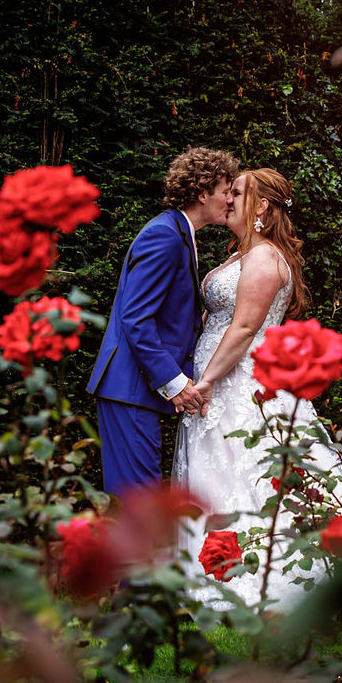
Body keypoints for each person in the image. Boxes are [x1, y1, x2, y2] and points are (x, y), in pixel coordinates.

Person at [175, 167, 342, 609]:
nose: (227, 198)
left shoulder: (263, 257)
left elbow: (242, 328)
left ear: (262, 206)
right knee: (218, 468)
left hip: (240, 382)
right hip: (221, 376)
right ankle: (207, 566)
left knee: (254, 468)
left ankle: (266, 577)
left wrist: (204, 383)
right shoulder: (240, 255)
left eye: (237, 192)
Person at [87, 146, 239, 499]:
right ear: (203, 193)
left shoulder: (180, 234)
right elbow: (136, 318)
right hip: (129, 388)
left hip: (135, 391)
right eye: (225, 190)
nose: (230, 200)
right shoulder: (165, 235)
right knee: (139, 504)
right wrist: (175, 382)